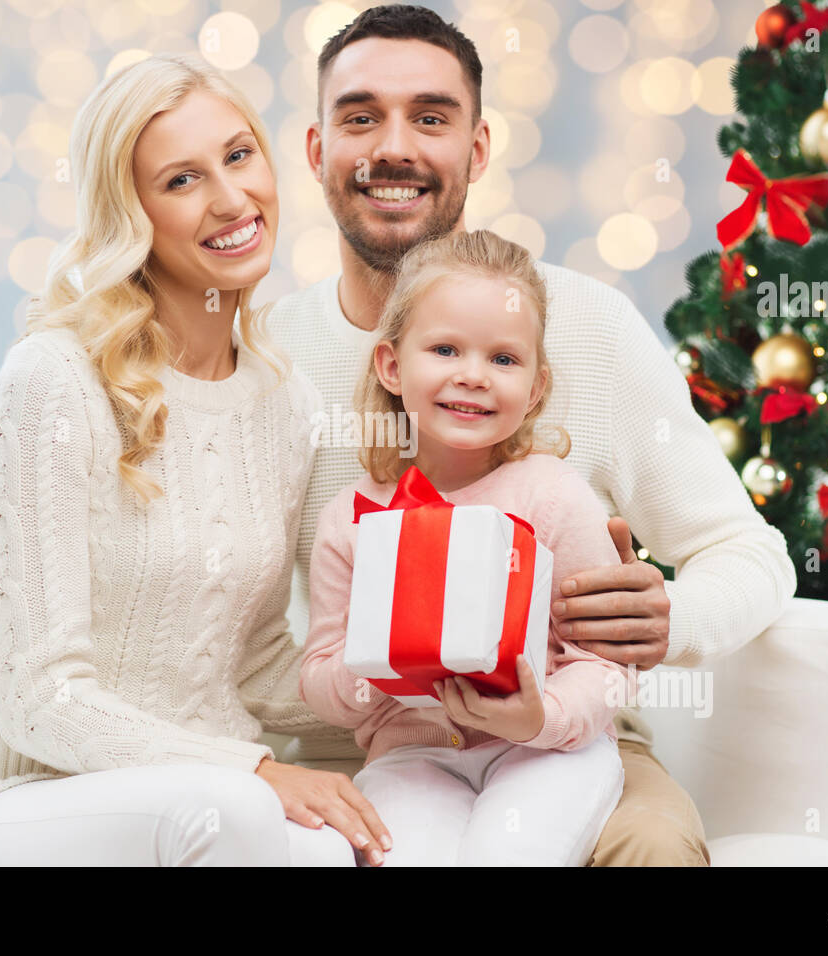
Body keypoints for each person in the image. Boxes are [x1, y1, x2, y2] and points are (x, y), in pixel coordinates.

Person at [267, 4, 798, 866]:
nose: (394, 147)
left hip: (565, 733)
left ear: (477, 149)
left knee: (653, 850)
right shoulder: (264, 355)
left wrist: (664, 619)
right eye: (360, 116)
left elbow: (752, 554)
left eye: (431, 118)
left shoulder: (588, 326)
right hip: (358, 751)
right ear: (318, 149)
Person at [0, 53, 390, 867]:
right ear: (128, 212)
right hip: (24, 805)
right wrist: (255, 769)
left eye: (239, 156)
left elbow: (256, 661)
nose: (231, 199)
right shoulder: (53, 382)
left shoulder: (285, 403)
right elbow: (40, 700)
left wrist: (416, 690)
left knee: (341, 848)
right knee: (231, 810)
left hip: (207, 800)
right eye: (181, 180)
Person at [302, 229, 637, 866]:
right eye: (446, 348)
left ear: (537, 386)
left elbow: (608, 665)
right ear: (393, 366)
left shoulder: (553, 497)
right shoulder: (354, 518)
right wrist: (374, 663)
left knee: (508, 853)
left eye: (504, 360)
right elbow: (318, 674)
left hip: (546, 749)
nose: (473, 376)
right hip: (411, 754)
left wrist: (543, 718)